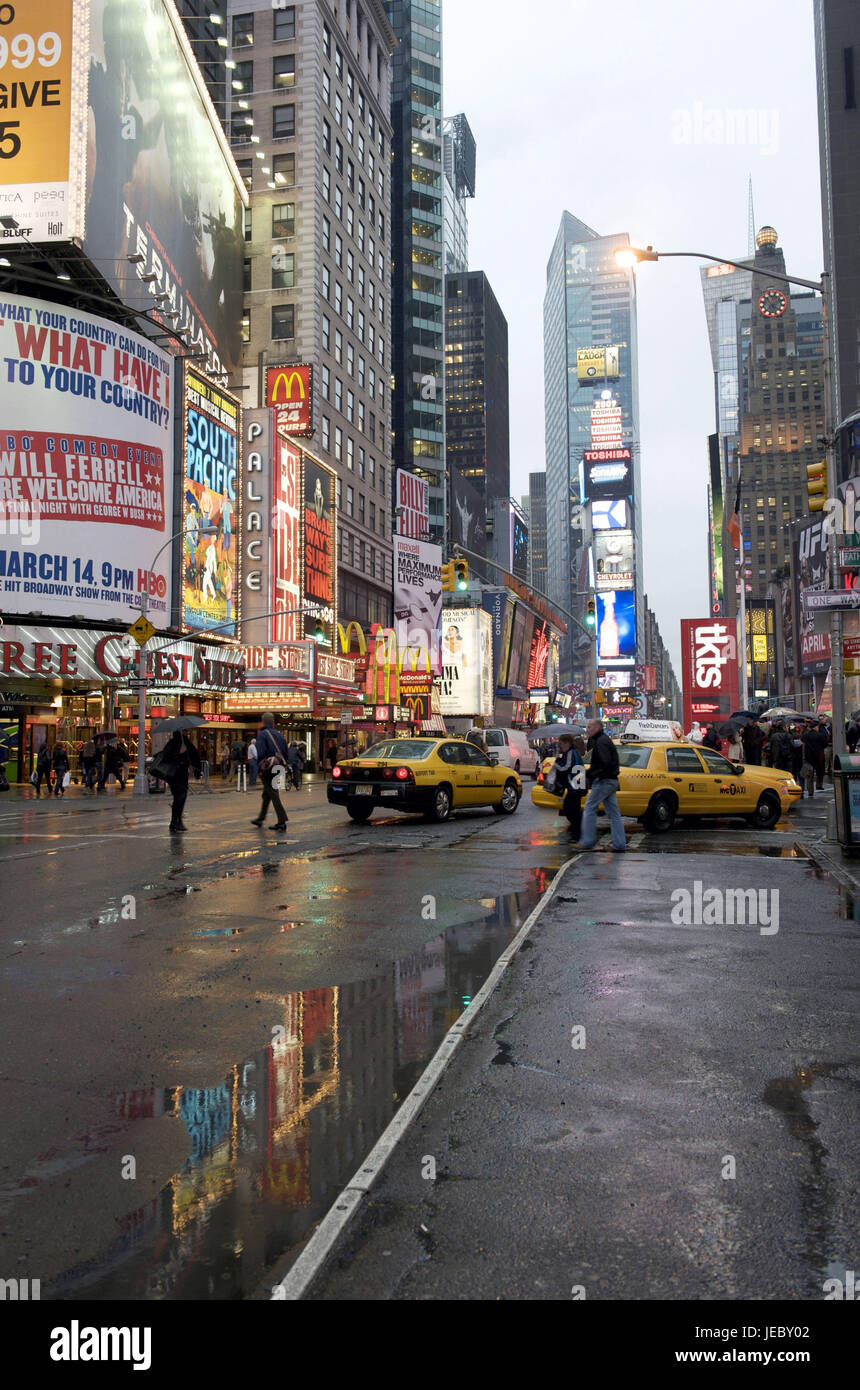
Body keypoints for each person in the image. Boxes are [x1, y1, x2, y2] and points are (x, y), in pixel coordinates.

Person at [572, 718, 627, 853]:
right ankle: (619, 844)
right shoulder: (602, 740)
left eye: (590, 727)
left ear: (597, 728)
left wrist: (590, 774)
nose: (587, 729)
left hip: (604, 780)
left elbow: (604, 763)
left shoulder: (601, 742)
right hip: (611, 780)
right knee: (614, 813)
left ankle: (587, 841)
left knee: (589, 808)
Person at [251, 713, 290, 832]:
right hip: (279, 766)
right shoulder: (279, 734)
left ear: (263, 722)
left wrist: (260, 767)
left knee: (273, 793)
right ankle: (261, 818)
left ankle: (282, 820)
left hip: (268, 766)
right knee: (268, 793)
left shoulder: (262, 735)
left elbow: (261, 753)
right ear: (273, 722)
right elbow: (285, 752)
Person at [162, 731, 200, 833]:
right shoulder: (179, 744)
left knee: (178, 797)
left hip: (175, 776)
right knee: (180, 797)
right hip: (178, 775)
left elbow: (193, 755)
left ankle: (176, 821)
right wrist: (180, 753)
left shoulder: (173, 744)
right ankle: (176, 821)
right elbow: (194, 755)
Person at [553, 734, 584, 838]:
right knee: (571, 809)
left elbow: (565, 767)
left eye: (561, 744)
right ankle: (577, 829)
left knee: (570, 809)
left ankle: (577, 832)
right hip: (575, 784)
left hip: (575, 785)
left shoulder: (571, 752)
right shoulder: (572, 752)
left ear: (567, 743)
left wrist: (556, 762)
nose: (561, 746)